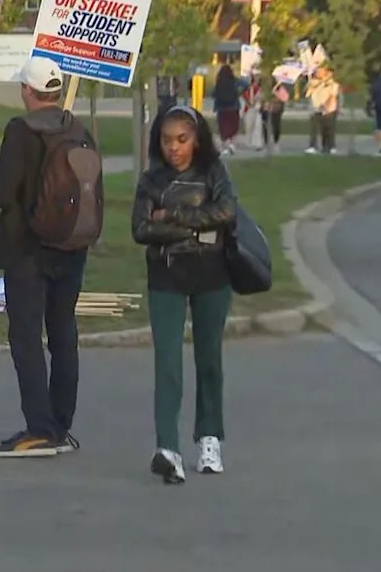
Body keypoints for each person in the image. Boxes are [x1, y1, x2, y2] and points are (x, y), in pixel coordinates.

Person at [0, 57, 101, 458]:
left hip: (28, 249)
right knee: (63, 332)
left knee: (26, 337)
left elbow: (2, 194)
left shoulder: (20, 131)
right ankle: (60, 423)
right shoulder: (78, 128)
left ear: (28, 92)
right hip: (72, 246)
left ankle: (39, 428)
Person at [132, 105, 236, 484]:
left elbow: (226, 212)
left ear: (196, 139)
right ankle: (168, 449)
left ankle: (209, 439)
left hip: (212, 273)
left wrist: (171, 216)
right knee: (168, 364)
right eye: (166, 139)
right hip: (166, 276)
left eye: (182, 139)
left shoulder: (214, 172)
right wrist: (195, 226)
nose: (174, 147)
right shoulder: (150, 180)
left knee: (209, 359)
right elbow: (141, 229)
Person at [306, 65, 341, 154]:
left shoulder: (333, 84)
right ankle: (312, 146)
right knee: (314, 128)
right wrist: (317, 83)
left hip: (329, 109)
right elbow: (308, 93)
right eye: (317, 72)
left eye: (320, 71)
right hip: (316, 108)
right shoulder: (313, 82)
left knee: (329, 129)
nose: (317, 73)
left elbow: (333, 95)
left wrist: (326, 106)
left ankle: (330, 146)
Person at [212, 64, 241, 155]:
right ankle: (232, 145)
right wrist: (239, 92)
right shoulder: (234, 81)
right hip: (233, 107)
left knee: (223, 128)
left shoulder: (219, 82)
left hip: (221, 108)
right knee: (233, 127)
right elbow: (245, 84)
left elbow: (213, 94)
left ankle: (225, 146)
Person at [264, 77, 290, 153]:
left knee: (276, 126)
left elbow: (285, 98)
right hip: (267, 109)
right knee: (265, 126)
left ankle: (276, 142)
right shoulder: (265, 88)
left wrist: (276, 93)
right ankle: (266, 143)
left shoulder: (279, 88)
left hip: (276, 110)